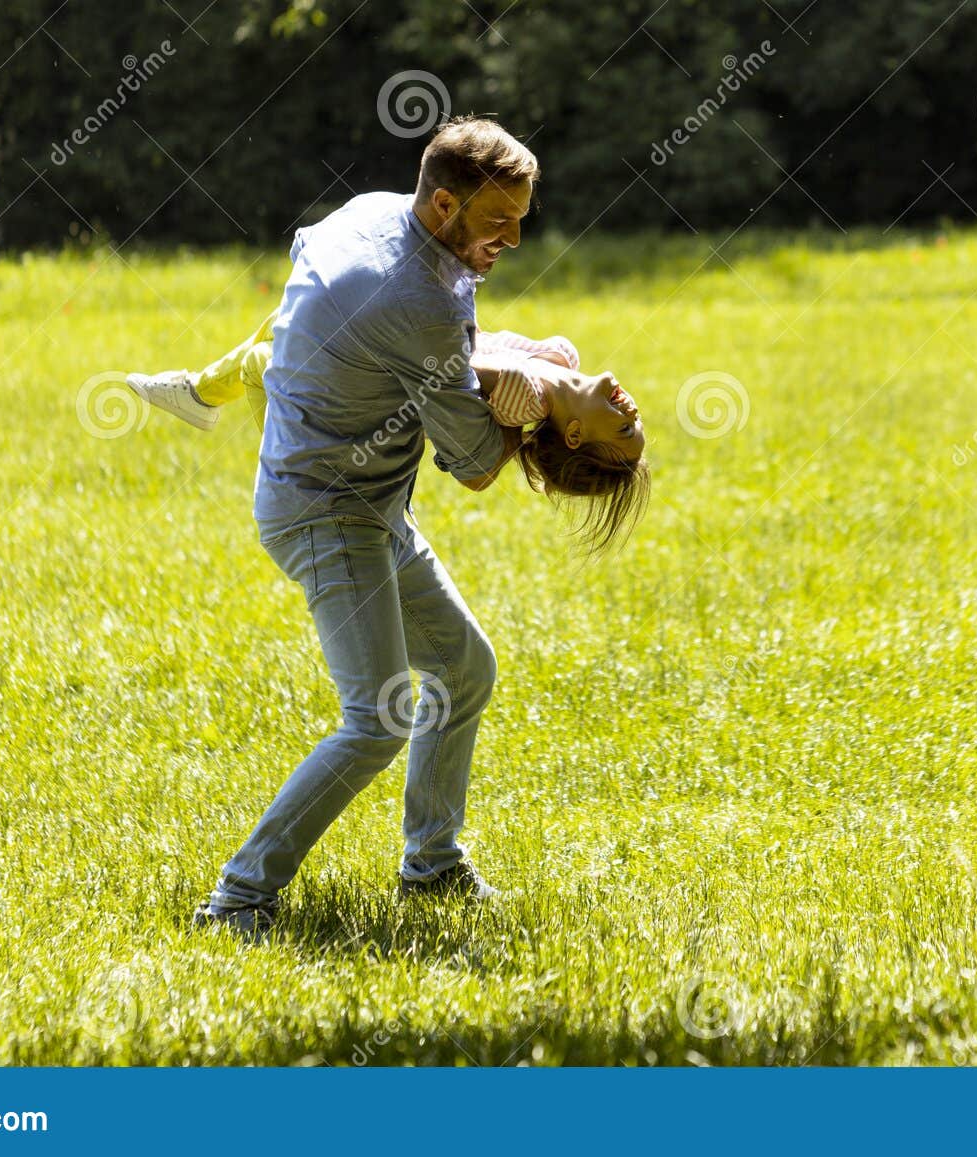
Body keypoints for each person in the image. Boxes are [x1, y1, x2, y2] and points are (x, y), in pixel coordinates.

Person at [169, 117, 645, 943]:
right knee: (379, 718)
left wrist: (514, 376)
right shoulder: (414, 297)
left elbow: (335, 273)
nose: (515, 240)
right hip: (326, 513)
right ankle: (237, 899)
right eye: (500, 222)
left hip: (366, 503)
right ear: (444, 205)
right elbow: (473, 464)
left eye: (522, 219)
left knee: (464, 668)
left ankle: (432, 865)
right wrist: (516, 403)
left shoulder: (377, 211)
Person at [128, 319, 649, 552]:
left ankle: (285, 474)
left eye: (624, 427)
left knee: (265, 363)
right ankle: (197, 394)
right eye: (637, 421)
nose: (631, 408)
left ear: (575, 434)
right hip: (403, 338)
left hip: (377, 378)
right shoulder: (563, 360)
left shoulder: (525, 397)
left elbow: (447, 368)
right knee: (282, 320)